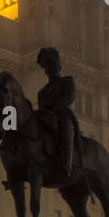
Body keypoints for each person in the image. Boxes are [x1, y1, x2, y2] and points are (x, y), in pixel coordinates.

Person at [36, 46, 77, 176]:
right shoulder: (42, 92)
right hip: (47, 117)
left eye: (53, 65)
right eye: (47, 66)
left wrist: (53, 108)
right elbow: (41, 107)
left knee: (64, 127)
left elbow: (68, 98)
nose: (50, 68)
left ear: (59, 67)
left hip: (63, 115)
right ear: (45, 71)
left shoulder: (67, 82)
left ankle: (65, 165)